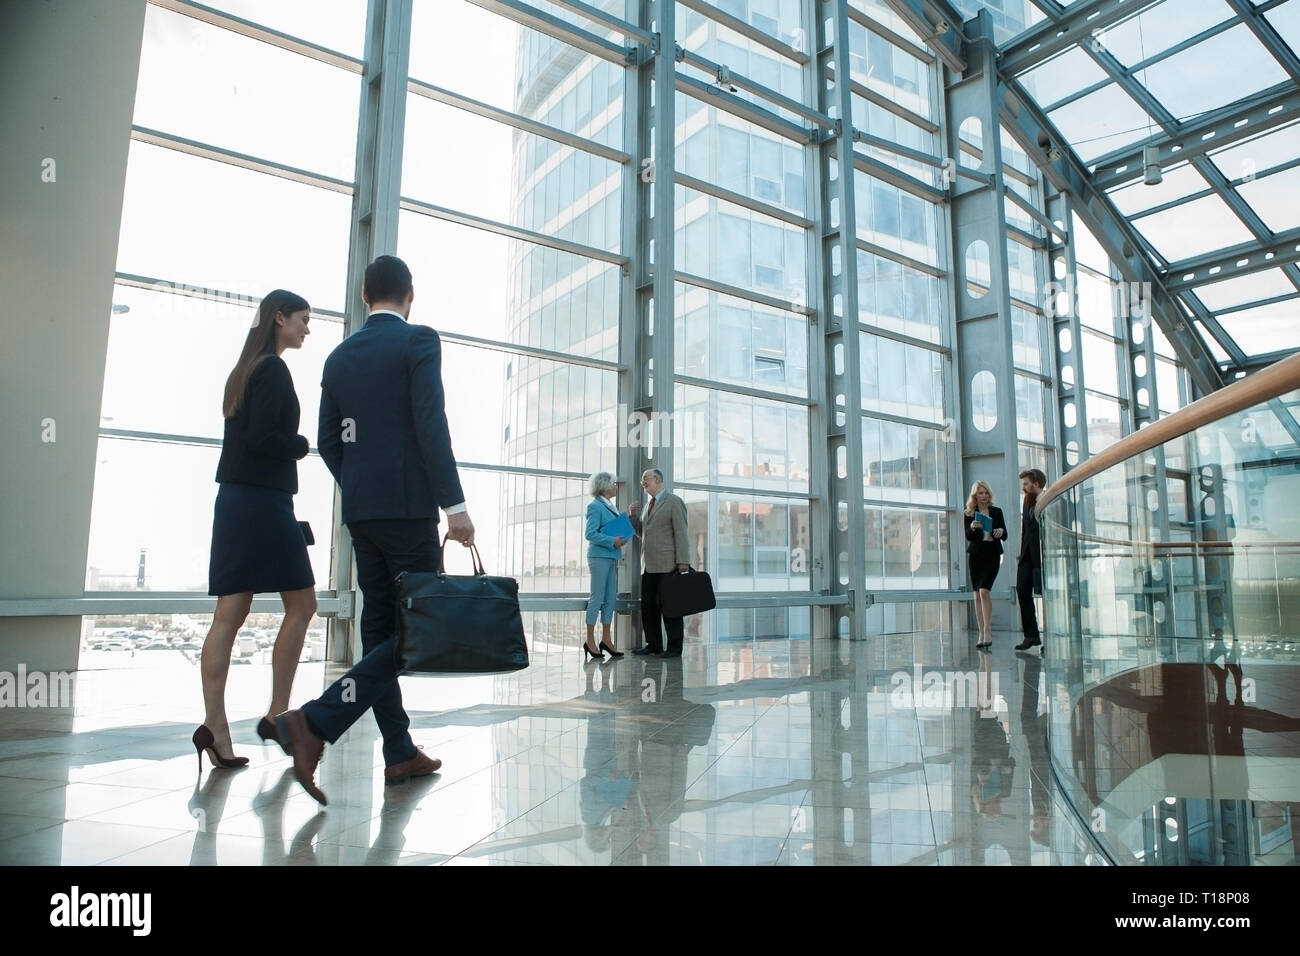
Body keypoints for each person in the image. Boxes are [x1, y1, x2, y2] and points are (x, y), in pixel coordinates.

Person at [273, 255, 475, 805]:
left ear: (365, 298)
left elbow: (329, 441)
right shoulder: (419, 342)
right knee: (413, 629)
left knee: (382, 626)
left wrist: (362, 484)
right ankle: (314, 722)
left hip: (363, 512)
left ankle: (399, 750)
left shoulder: (339, 358)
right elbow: (431, 424)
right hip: (410, 511)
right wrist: (454, 506)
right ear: (410, 293)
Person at [196, 289, 316, 772]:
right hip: (263, 503)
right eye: (303, 320)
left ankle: (215, 726)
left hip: (238, 501)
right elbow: (267, 439)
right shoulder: (272, 369)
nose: (307, 329)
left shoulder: (244, 369)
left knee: (230, 612)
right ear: (279, 317)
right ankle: (277, 716)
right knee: (303, 604)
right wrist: (302, 444)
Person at [628, 468, 690, 657]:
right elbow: (643, 535)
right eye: (642, 480)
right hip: (648, 565)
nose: (642, 482)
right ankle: (653, 645)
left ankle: (674, 648)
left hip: (668, 565)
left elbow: (681, 532)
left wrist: (683, 561)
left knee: (671, 607)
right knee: (649, 608)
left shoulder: (673, 502)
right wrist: (632, 517)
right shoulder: (648, 506)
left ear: (657, 479)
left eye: (645, 478)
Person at [584, 471, 627, 660]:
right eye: (613, 484)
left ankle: (607, 639)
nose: (616, 486)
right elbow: (590, 534)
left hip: (611, 557)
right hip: (599, 557)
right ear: (605, 485)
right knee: (597, 597)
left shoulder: (611, 506)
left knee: (610, 597)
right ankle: (589, 640)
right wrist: (612, 541)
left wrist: (619, 539)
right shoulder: (595, 506)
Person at [964, 480, 1006, 650]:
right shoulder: (969, 514)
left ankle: (988, 630)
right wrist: (973, 528)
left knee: (984, 591)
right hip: (976, 556)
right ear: (975, 495)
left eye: (986, 493)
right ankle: (981, 632)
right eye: (980, 493)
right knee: (976, 595)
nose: (983, 496)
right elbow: (968, 536)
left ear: (989, 494)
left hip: (992, 554)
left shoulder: (996, 511)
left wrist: (1001, 531)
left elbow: (1004, 533)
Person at [1015, 468, 1048, 653]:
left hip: (1043, 555)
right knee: (1022, 590)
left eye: (1026, 484)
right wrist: (1021, 555)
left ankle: (1050, 637)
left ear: (1036, 484)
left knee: (1047, 594)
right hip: (1027, 555)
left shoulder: (1049, 499)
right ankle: (1031, 635)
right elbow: (1025, 530)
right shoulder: (1027, 501)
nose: (1024, 487)